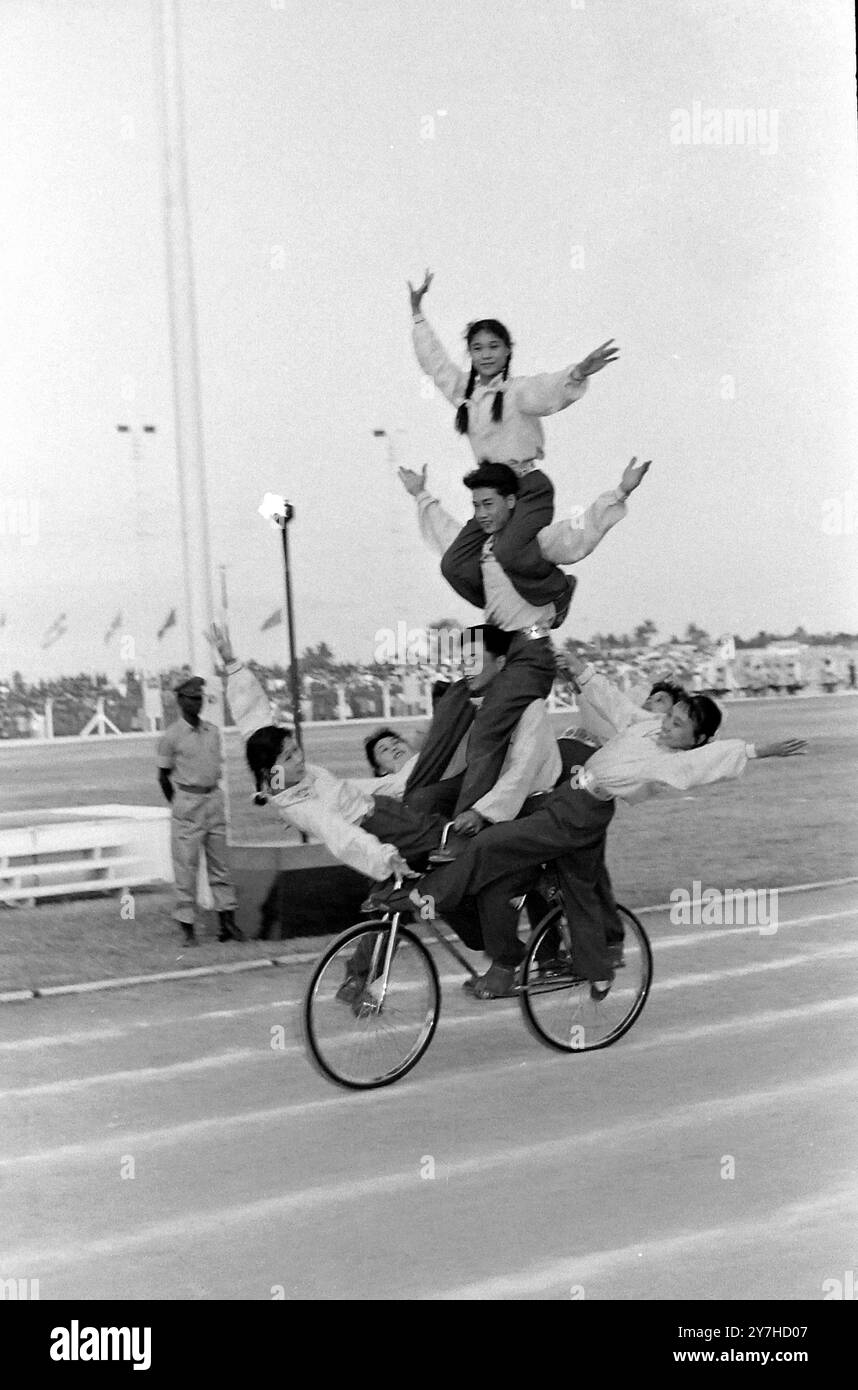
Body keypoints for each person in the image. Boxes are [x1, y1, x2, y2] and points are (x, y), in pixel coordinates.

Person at [369, 656, 807, 1000]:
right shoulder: (648, 727)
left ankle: (423, 898)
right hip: (563, 799)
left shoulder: (678, 761)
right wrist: (581, 672)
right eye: (669, 716)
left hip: (579, 813)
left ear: (695, 739)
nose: (666, 725)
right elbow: (616, 705)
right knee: (554, 885)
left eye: (677, 726)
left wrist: (758, 749)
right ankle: (561, 967)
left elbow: (715, 759)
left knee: (492, 844)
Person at [398, 454, 651, 819]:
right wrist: (421, 494)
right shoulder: (483, 546)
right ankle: (414, 806)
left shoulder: (535, 543)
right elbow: (445, 533)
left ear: (511, 501)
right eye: (475, 506)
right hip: (496, 651)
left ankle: (471, 823)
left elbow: (578, 532)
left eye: (488, 504)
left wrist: (621, 490)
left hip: (530, 650)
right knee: (450, 710)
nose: (481, 513)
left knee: (489, 726)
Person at [213, 623, 560, 883]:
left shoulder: (269, 762)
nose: (300, 759)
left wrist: (232, 666)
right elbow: (340, 835)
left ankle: (362, 971)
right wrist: (382, 859)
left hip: (381, 808)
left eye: (296, 750)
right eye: (289, 757)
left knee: (424, 837)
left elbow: (254, 720)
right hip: (379, 823)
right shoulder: (300, 804)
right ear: (272, 771)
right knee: (454, 839)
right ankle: (525, 877)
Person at [408, 269, 619, 616]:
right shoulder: (466, 394)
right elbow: (436, 364)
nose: (486, 355)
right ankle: (503, 606)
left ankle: (559, 590)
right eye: (477, 349)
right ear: (471, 356)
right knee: (454, 566)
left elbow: (550, 389)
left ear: (507, 351)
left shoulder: (517, 391)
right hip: (491, 496)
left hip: (526, 488)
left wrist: (579, 371)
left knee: (507, 551)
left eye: (494, 347)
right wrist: (417, 315)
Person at [156, 674, 242, 947]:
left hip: (213, 800)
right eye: (192, 699)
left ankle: (227, 925)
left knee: (221, 866)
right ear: (180, 701)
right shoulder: (171, 736)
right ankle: (188, 930)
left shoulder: (213, 732)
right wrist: (180, 803)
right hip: (188, 802)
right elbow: (162, 776)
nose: (197, 704)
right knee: (186, 867)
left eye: (200, 699)